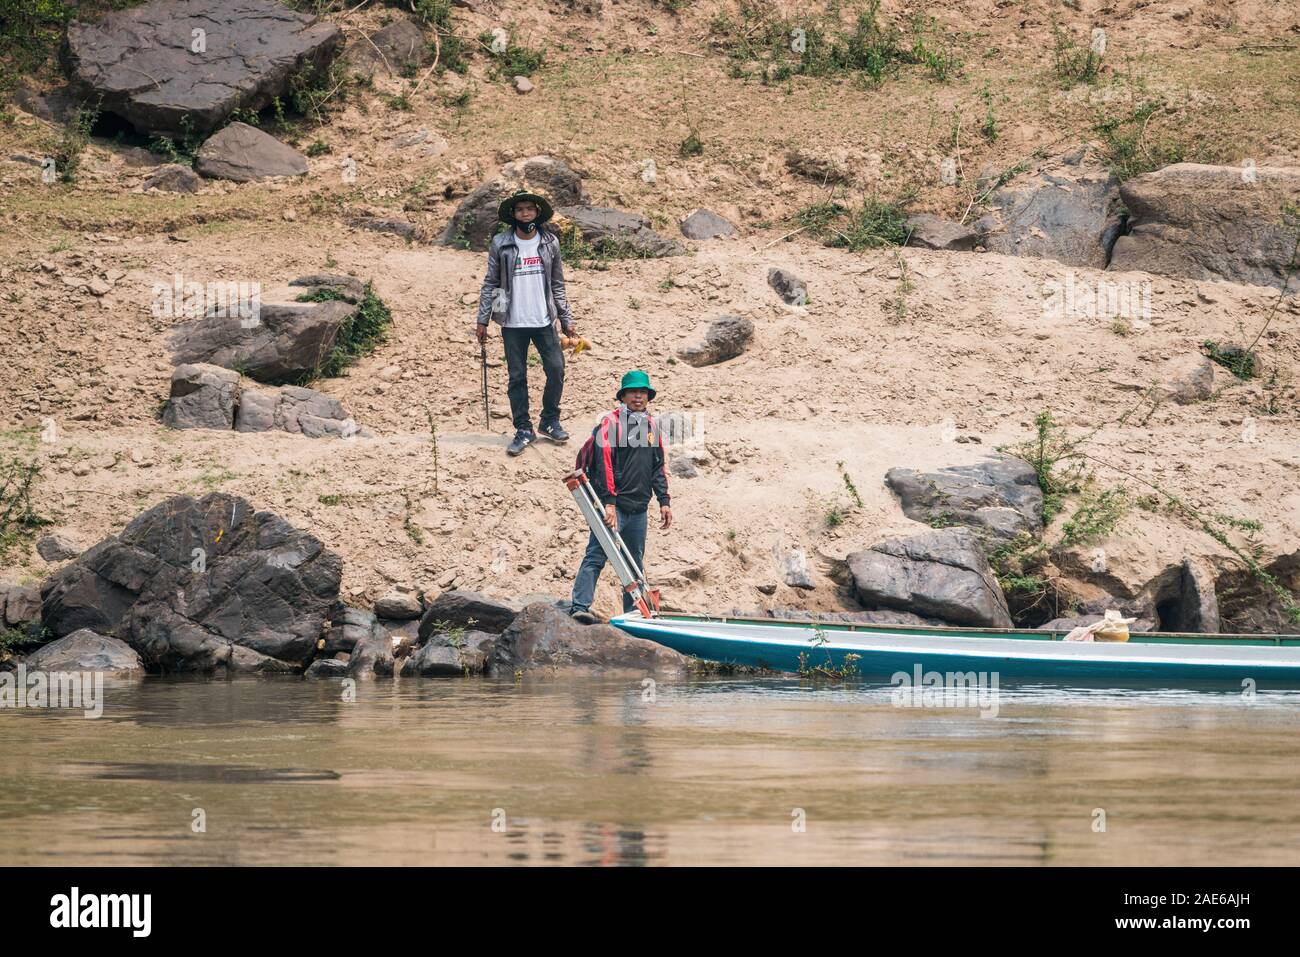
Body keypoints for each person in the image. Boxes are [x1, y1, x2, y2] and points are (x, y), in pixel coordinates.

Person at [475, 191, 576, 456]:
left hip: (544, 320)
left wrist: (566, 319)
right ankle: (523, 428)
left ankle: (549, 420)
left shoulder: (549, 242)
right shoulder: (501, 243)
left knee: (556, 369)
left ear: (537, 213)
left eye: (530, 209)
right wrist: (484, 319)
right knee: (517, 377)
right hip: (512, 322)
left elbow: (557, 283)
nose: (525, 214)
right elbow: (492, 283)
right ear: (513, 215)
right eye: (520, 210)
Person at [570, 370, 673, 624]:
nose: (638, 396)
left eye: (643, 392)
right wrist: (609, 503)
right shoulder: (611, 424)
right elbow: (605, 465)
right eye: (633, 392)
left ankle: (633, 615)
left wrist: (664, 501)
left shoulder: (651, 427)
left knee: (634, 562)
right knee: (596, 554)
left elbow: (657, 467)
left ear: (648, 397)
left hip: (639, 509)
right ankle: (579, 607)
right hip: (613, 507)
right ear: (623, 396)